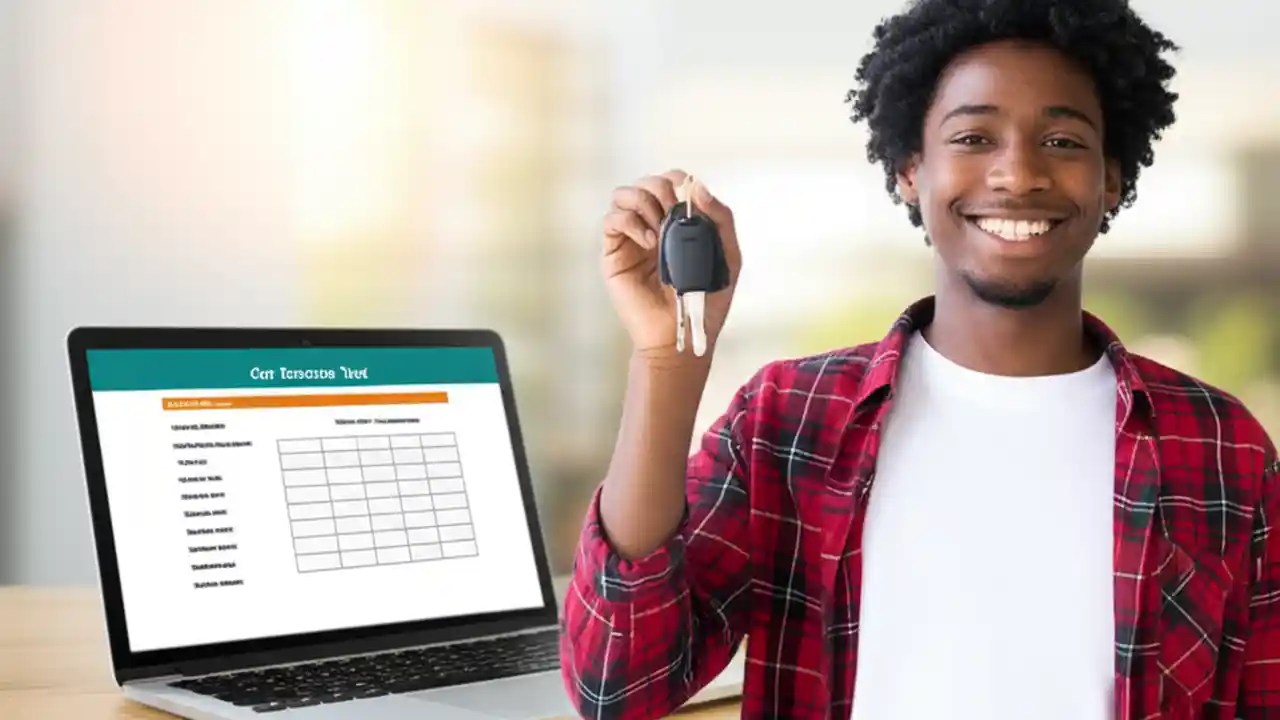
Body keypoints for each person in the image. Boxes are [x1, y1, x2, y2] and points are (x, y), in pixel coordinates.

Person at [559, 0, 1280, 717]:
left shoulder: (1221, 447)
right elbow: (616, 684)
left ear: (1112, 179)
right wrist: (668, 360)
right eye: (973, 137)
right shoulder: (789, 419)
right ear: (910, 170)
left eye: (1062, 142)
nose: (1018, 173)